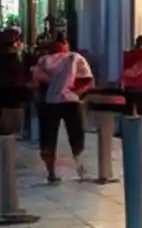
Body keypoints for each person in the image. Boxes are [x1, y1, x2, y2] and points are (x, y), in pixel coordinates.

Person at [32, 32, 93, 183]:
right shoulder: (75, 57)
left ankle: (51, 173)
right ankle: (81, 170)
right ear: (66, 44)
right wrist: (75, 93)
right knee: (76, 134)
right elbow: (88, 81)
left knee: (48, 138)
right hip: (71, 101)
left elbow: (36, 83)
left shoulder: (43, 60)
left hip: (49, 102)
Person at [0, 30, 31, 136]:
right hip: (11, 102)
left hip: (11, 102)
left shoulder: (16, 59)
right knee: (7, 137)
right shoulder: (14, 60)